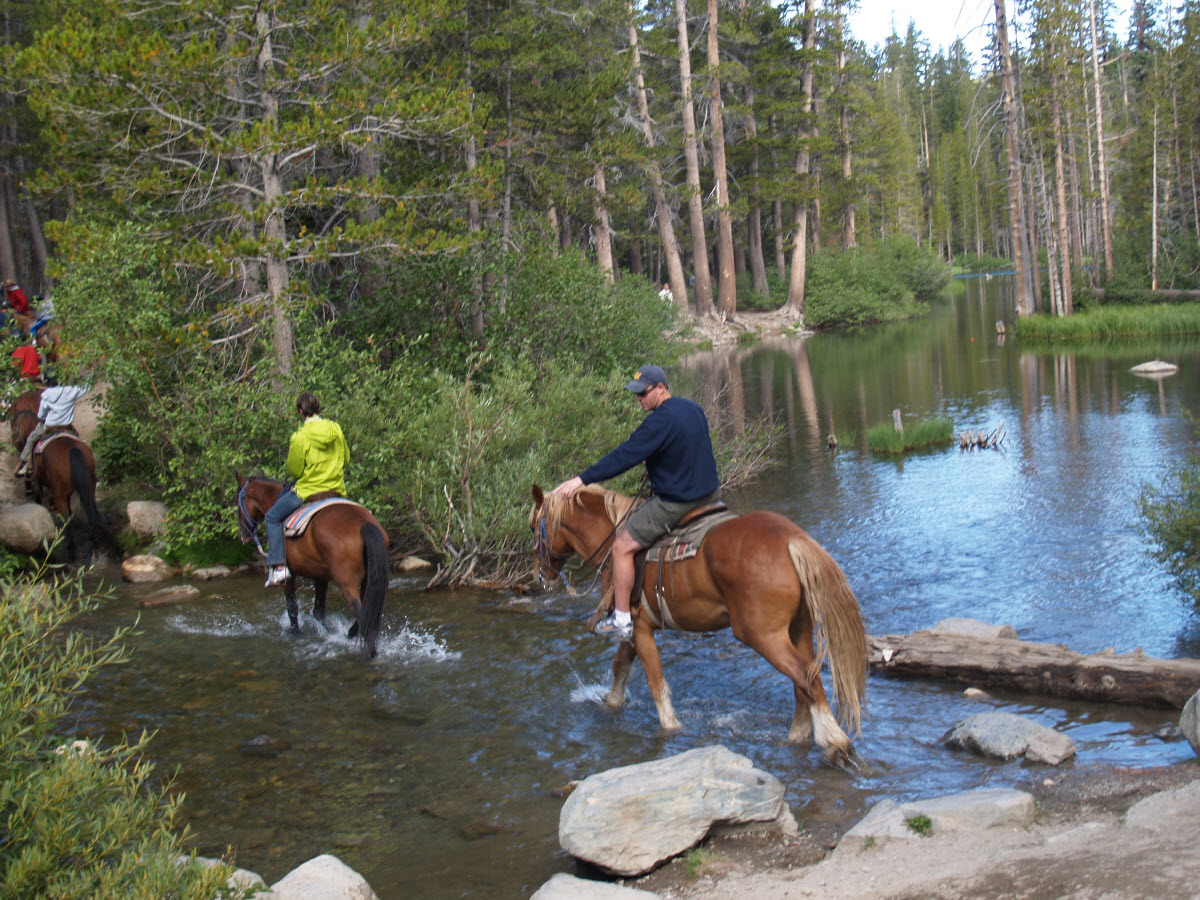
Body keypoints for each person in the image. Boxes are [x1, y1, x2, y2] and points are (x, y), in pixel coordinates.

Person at [551, 364, 720, 640]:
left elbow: (622, 457)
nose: (638, 399)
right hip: (711, 495)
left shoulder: (658, 422)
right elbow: (690, 448)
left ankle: (621, 620)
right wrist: (655, 457)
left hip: (679, 503)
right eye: (636, 394)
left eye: (643, 394)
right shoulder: (692, 409)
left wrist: (581, 480)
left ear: (661, 389)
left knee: (621, 547)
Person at [263, 391, 350, 587]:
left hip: (309, 491)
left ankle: (278, 568)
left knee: (272, 517)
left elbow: (294, 470)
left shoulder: (300, 436)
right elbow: (346, 459)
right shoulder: (335, 429)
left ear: (300, 411)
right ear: (318, 408)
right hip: (336, 490)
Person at [14, 371, 89, 477]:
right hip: (67, 427)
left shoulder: (46, 396)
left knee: (31, 439)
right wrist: (91, 372)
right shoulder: (70, 391)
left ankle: (26, 465)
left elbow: (41, 415)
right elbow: (86, 386)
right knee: (80, 442)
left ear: (47, 383)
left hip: (50, 428)